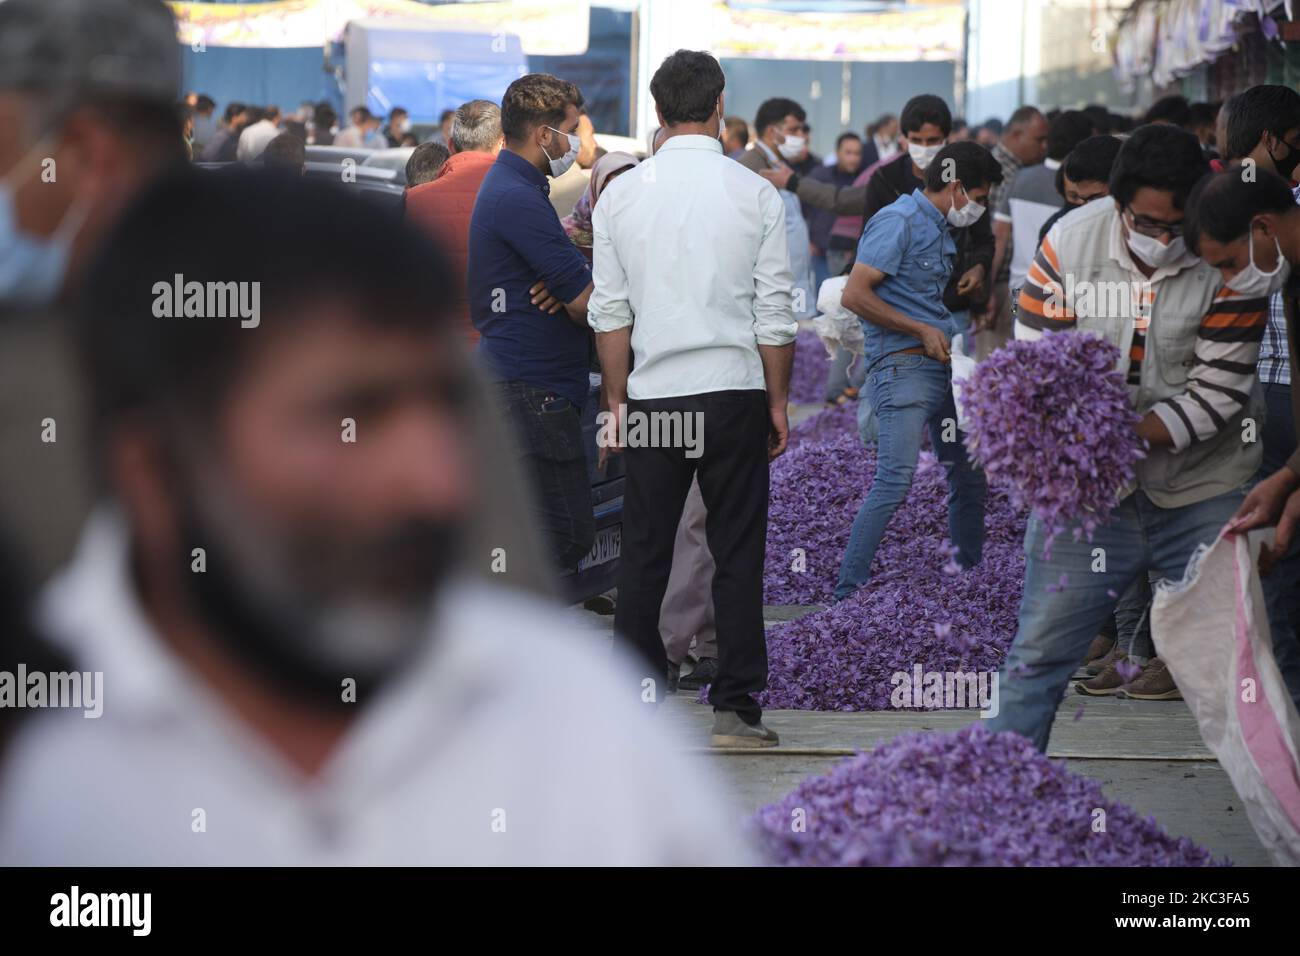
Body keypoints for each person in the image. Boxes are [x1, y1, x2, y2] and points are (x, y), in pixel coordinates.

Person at [0, 168, 752, 865]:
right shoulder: (42, 757)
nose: (437, 485)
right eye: (349, 416)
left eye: (444, 411)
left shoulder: (576, 717)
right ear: (154, 471)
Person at [989, 125, 1272, 751]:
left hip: (1202, 486)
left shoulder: (1226, 251)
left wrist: (1106, 435)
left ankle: (1278, 805)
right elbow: (1040, 365)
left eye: (1178, 227)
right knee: (1038, 652)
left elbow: (1219, 393)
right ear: (1118, 203)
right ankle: (998, 792)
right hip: (1089, 497)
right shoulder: (1068, 242)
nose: (1166, 241)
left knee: (1239, 664)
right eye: (1149, 223)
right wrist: (1077, 446)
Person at [589, 49, 797, 747]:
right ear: (720, 106)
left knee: (644, 550)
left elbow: (610, 314)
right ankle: (736, 709)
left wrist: (618, 403)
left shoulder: (621, 194)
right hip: (734, 393)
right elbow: (775, 313)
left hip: (655, 398)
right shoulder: (755, 193)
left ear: (655, 111)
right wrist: (778, 401)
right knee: (737, 551)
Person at [833, 142, 1000, 602]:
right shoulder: (898, 221)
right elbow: (856, 294)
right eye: (979, 197)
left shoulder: (936, 226)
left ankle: (969, 576)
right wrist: (919, 328)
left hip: (940, 369)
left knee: (966, 471)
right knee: (894, 479)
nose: (980, 209)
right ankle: (847, 594)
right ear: (956, 186)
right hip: (902, 369)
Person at [467, 74, 596, 572]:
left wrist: (568, 279)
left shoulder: (521, 188)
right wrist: (574, 285)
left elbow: (572, 285)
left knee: (545, 535)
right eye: (571, 130)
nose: (577, 144)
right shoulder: (516, 197)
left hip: (531, 386)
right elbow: (585, 302)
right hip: (531, 390)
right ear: (544, 135)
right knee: (564, 535)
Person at [406, 99, 504, 343]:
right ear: (503, 145)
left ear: (450, 145)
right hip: (502, 352)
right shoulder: (524, 198)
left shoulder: (412, 202)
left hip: (434, 351)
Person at [980, 105, 1048, 359]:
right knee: (998, 362)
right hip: (1000, 284)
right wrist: (986, 290)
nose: (1043, 147)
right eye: (1038, 139)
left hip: (1012, 285)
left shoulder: (1020, 173)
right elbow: (996, 236)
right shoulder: (1000, 173)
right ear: (1017, 135)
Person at [738, 97, 816, 317]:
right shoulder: (752, 166)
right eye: (794, 129)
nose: (802, 136)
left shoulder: (778, 165)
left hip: (792, 291)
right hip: (770, 297)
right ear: (773, 132)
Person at [1006, 110, 1094, 298]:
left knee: (1019, 325)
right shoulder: (1083, 190)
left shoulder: (1019, 178)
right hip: (1057, 293)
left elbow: (1000, 234)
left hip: (1017, 287)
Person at [1036, 134, 1123, 244]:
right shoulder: (1059, 234)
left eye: (1097, 198)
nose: (1088, 208)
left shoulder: (1144, 230)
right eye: (1078, 198)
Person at [806, 132, 863, 292]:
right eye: (848, 152)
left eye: (857, 153)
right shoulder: (820, 176)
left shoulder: (866, 179)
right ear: (837, 153)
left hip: (854, 257)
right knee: (824, 300)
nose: (853, 158)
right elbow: (803, 207)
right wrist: (809, 239)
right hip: (822, 252)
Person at [560, 150, 639, 251]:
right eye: (608, 193)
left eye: (627, 193)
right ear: (595, 190)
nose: (618, 202)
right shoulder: (561, 234)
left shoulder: (645, 233)